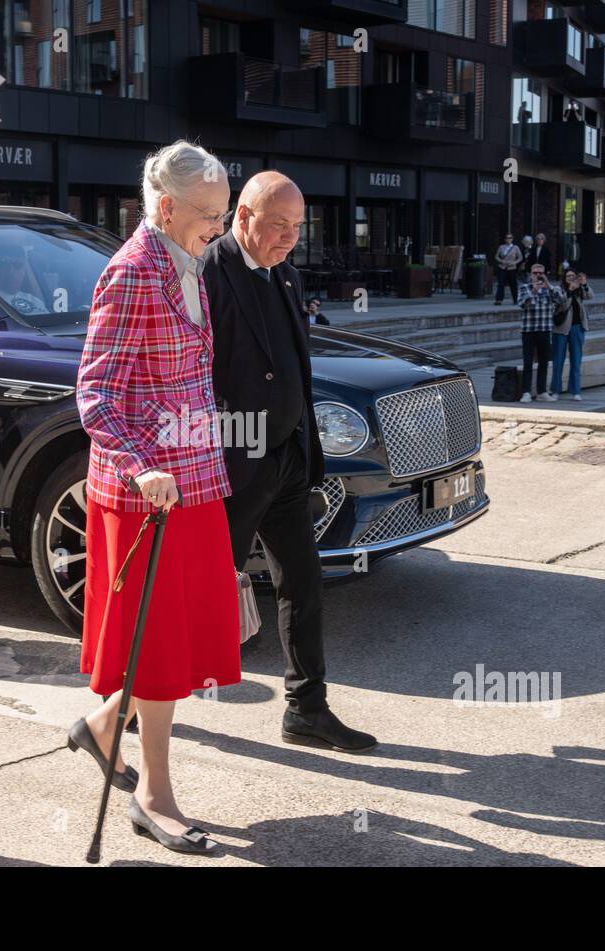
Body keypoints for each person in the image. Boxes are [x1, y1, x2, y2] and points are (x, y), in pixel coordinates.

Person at [74, 140, 240, 856]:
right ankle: (153, 794)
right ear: (166, 207)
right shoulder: (132, 272)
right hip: (148, 497)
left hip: (196, 482)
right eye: (210, 214)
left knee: (186, 637)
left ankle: (106, 728)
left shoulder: (192, 265)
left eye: (225, 213)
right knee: (162, 650)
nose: (220, 226)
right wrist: (142, 467)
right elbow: (96, 393)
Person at [203, 170, 378, 754]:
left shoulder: (286, 274)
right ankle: (126, 705)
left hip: (287, 460)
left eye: (297, 227)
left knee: (302, 584)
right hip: (231, 466)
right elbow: (190, 376)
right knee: (197, 592)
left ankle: (307, 710)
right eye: (279, 225)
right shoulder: (205, 273)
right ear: (243, 217)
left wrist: (307, 449)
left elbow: (296, 367)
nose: (289, 238)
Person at [515, 263, 565, 403]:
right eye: (535, 273)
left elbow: (561, 300)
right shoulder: (525, 288)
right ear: (530, 274)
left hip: (544, 329)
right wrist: (535, 291)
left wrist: (548, 285)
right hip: (529, 330)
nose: (537, 275)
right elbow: (522, 304)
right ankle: (526, 392)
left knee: (544, 362)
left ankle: (541, 391)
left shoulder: (550, 289)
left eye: (540, 273)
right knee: (528, 362)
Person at [551, 268, 594, 402]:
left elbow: (590, 296)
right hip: (561, 329)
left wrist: (584, 284)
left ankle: (575, 391)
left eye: (573, 276)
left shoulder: (580, 290)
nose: (571, 278)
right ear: (564, 278)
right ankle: (555, 390)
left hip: (577, 328)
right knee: (558, 361)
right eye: (568, 276)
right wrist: (570, 290)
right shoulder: (559, 290)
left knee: (576, 360)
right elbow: (562, 304)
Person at [493, 232, 523, 305]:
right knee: (501, 284)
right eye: (507, 238)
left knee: (513, 284)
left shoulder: (515, 247)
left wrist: (514, 262)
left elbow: (520, 257)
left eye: (510, 238)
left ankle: (515, 299)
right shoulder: (501, 247)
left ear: (512, 239)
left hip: (512, 268)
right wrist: (501, 261)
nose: (508, 239)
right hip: (503, 267)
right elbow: (496, 256)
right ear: (505, 239)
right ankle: (499, 299)